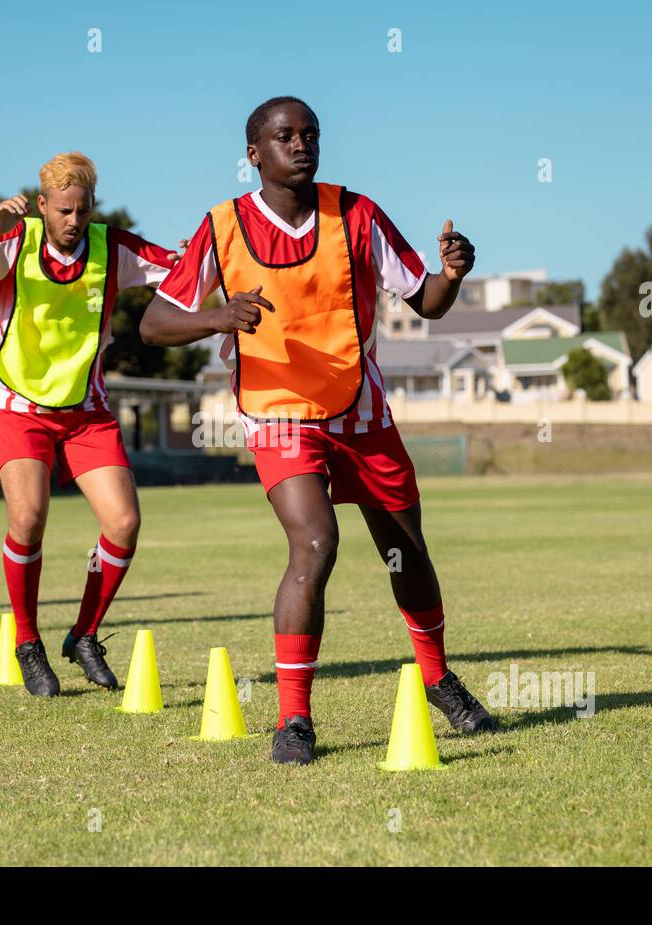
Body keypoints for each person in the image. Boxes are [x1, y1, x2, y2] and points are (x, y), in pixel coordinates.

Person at [140, 96, 496, 765]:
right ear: (255, 153)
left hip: (358, 407)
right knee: (315, 541)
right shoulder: (222, 226)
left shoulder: (357, 213)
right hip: (276, 411)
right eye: (284, 136)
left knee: (406, 546)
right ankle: (294, 719)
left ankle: (439, 679)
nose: (301, 145)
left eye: (311, 134)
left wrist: (452, 273)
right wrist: (218, 318)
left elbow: (427, 303)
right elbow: (154, 325)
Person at [0, 152, 178, 695]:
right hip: (20, 410)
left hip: (87, 414)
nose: (74, 221)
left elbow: (184, 268)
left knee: (124, 523)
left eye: (83, 210)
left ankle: (83, 636)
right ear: (42, 206)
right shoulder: (14, 243)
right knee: (29, 517)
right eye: (63, 210)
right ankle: (28, 643)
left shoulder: (115, 249)